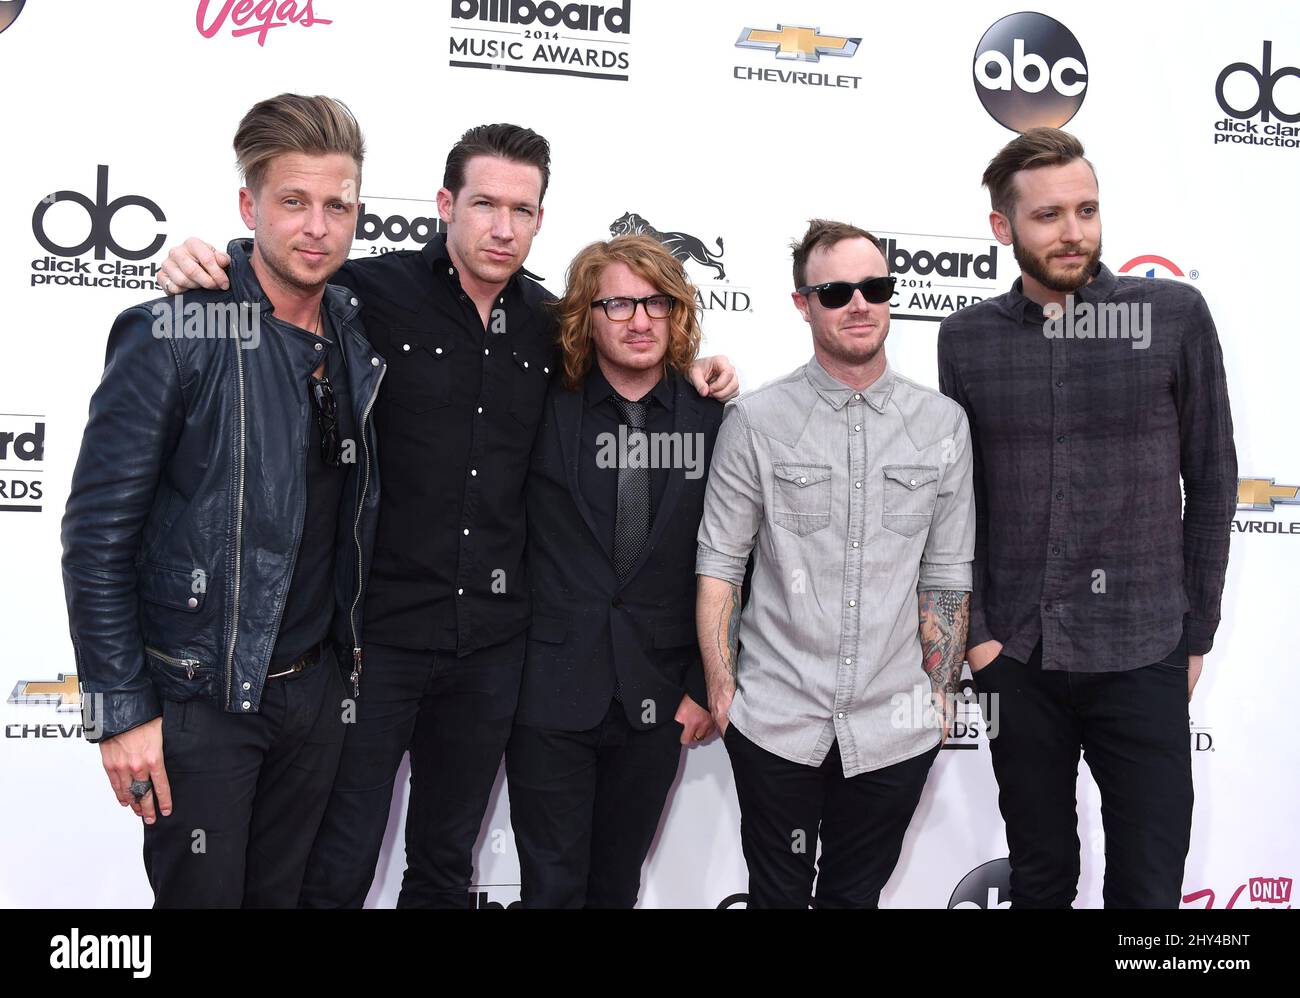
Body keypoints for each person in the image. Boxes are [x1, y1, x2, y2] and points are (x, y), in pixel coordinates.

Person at [158, 123, 739, 908]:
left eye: (522, 210)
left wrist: (697, 370)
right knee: (341, 854)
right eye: (486, 204)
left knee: (444, 861)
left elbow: (632, 360)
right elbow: (288, 270)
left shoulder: (549, 325)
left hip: (493, 649)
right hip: (377, 638)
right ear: (445, 203)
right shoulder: (370, 292)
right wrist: (216, 261)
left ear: (540, 218)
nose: (503, 228)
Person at [62, 94, 382, 907]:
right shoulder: (175, 333)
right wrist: (120, 712)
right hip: (201, 701)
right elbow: (95, 538)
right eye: (293, 202)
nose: (317, 226)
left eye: (337, 206)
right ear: (249, 206)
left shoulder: (354, 331)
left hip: (312, 696)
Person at [937, 127, 1237, 908]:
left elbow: (1211, 478)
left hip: (1142, 647)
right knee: (1039, 878)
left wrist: (1193, 630)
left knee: (1148, 886)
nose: (1073, 232)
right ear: (1003, 228)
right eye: (1048, 216)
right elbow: (958, 499)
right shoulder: (966, 339)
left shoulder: (1173, 315)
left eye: (1087, 210)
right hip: (1020, 657)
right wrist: (977, 641)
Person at [696, 219, 975, 908]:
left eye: (875, 287)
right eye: (836, 290)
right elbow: (720, 567)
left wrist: (938, 695)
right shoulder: (756, 421)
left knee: (855, 900)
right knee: (778, 896)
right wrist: (725, 691)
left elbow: (947, 571)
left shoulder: (942, 425)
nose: (859, 303)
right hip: (774, 719)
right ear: (802, 303)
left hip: (894, 728)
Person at [506, 235, 721, 907]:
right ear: (585, 316)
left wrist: (702, 683)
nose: (639, 320)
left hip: (657, 700)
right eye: (619, 303)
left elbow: (735, 563)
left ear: (676, 312)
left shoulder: (714, 422)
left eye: (656, 302)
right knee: (550, 888)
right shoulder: (542, 407)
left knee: (617, 886)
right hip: (547, 694)